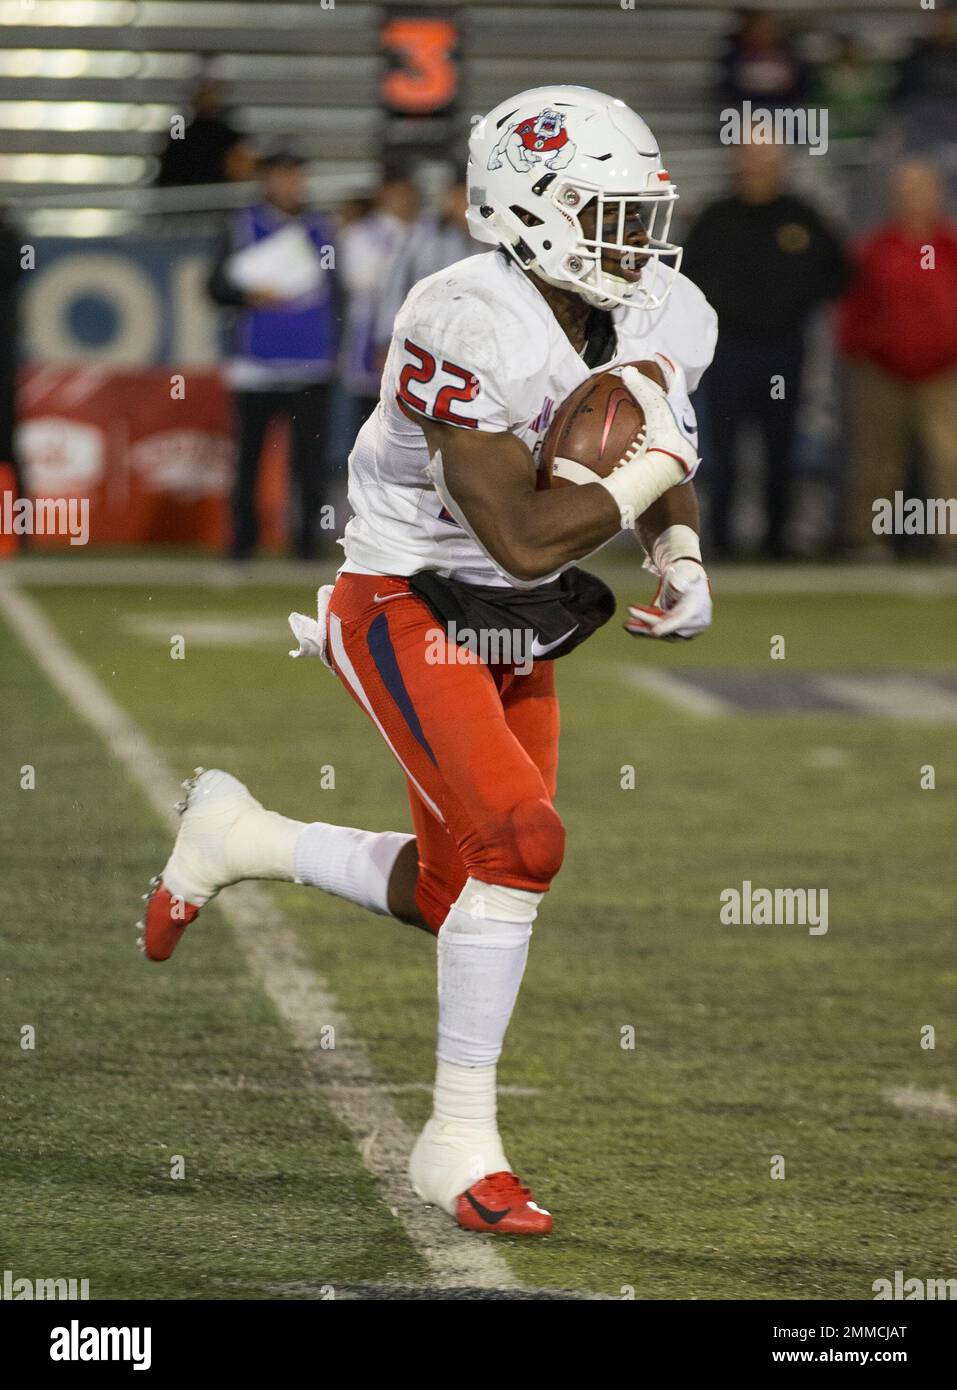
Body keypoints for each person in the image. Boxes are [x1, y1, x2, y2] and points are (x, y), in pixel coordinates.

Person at [142, 87, 717, 1236]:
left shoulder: (660, 305)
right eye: (607, 213)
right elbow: (523, 527)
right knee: (526, 840)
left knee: (466, 887)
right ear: (533, 210)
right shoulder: (463, 314)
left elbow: (638, 455)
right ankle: (458, 1142)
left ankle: (243, 836)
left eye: (638, 213)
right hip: (408, 596)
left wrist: (681, 546)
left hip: (522, 611)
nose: (635, 240)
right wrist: (654, 471)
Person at [682, 136, 848, 557]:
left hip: (783, 349)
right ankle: (719, 539)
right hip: (729, 349)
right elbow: (688, 275)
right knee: (722, 445)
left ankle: (778, 539)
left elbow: (838, 274)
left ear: (782, 164)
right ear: (738, 163)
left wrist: (793, 302)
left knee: (781, 442)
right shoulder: (715, 217)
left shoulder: (802, 216)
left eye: (768, 159)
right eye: (751, 158)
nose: (759, 167)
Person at [207, 151, 339, 560]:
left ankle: (306, 543)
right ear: (266, 181)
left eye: (295, 176)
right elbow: (214, 287)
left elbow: (339, 291)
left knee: (309, 462)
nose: (290, 185)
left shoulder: (322, 228)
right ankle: (243, 540)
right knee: (249, 458)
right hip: (255, 365)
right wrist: (248, 294)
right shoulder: (239, 226)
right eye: (282, 177)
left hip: (310, 364)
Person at [838, 160, 957, 555]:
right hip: (882, 373)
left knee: (949, 459)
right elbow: (855, 306)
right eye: (907, 191)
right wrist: (858, 349)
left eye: (922, 189)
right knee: (877, 461)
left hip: (944, 373)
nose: (915, 199)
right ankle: (871, 540)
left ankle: (949, 540)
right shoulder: (875, 249)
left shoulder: (950, 248)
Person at [338, 174, 419, 429]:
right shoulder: (361, 233)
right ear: (383, 195)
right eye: (397, 193)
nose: (404, 200)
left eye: (408, 193)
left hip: (413, 329)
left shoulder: (423, 232)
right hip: (371, 331)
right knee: (369, 411)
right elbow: (358, 278)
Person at [373, 176, 482, 350]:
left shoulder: (487, 238)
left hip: (470, 337)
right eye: (464, 197)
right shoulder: (421, 233)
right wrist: (386, 337)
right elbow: (396, 283)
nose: (469, 205)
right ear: (451, 197)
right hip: (423, 336)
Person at [155, 76, 256, 187]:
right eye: (204, 92)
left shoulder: (230, 134)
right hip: (186, 195)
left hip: (221, 196)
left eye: (211, 92)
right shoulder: (179, 132)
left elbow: (241, 168)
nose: (207, 97)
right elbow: (169, 170)